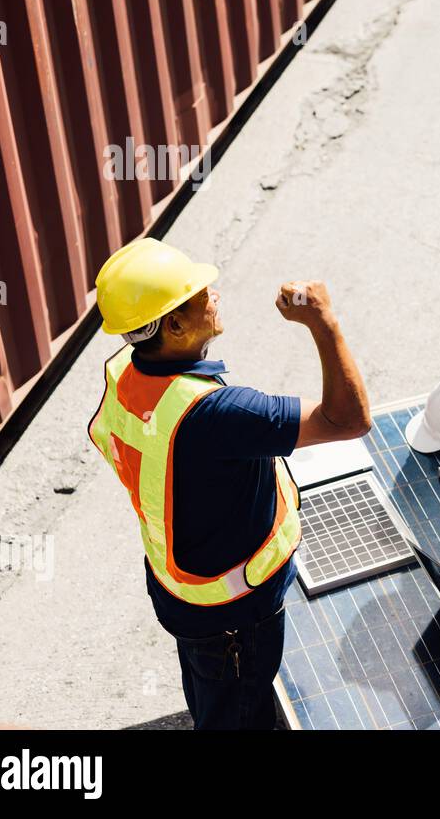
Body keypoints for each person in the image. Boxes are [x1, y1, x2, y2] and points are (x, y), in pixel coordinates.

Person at [87, 238, 370, 729]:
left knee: (210, 691)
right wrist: (324, 321)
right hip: (233, 613)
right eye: (200, 294)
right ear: (173, 325)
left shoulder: (125, 374)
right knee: (240, 714)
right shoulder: (221, 413)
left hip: (180, 591)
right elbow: (348, 420)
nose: (214, 294)